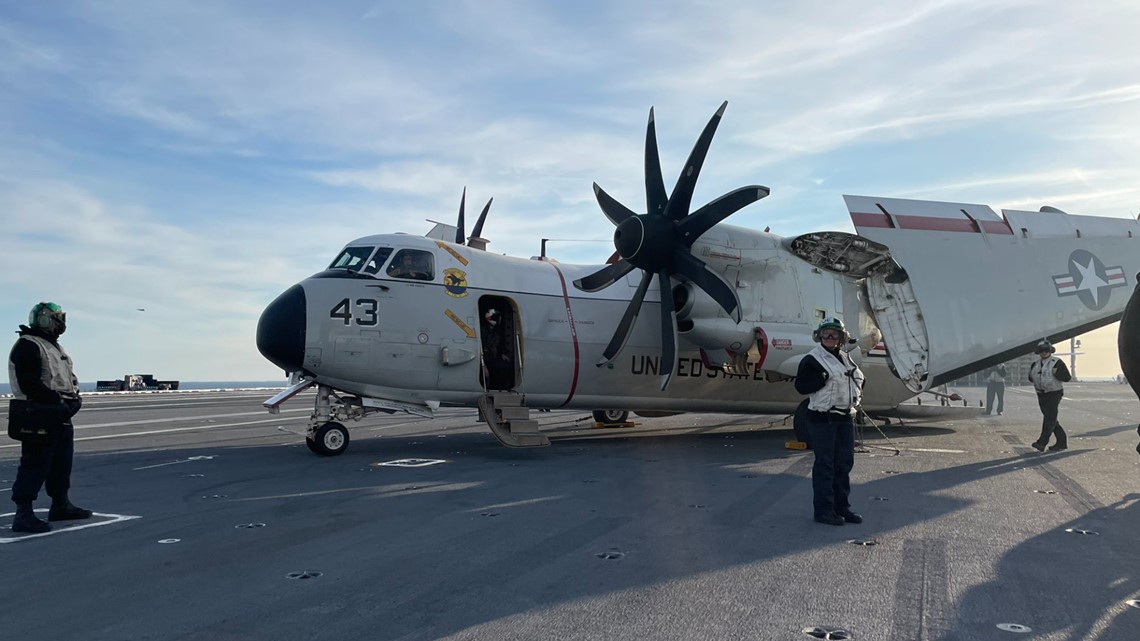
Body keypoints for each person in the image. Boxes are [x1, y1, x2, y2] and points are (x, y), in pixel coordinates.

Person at [8, 302, 92, 533]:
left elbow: (66, 377)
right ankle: (23, 513)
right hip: (37, 413)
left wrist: (72, 400)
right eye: (56, 318)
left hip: (58, 414)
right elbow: (30, 383)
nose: (61, 322)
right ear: (43, 319)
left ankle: (60, 504)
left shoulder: (54, 346)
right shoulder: (28, 345)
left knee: (61, 463)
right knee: (35, 463)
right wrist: (57, 401)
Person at [795, 317, 866, 526]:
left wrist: (857, 394)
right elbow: (801, 386)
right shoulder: (812, 359)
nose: (830, 337)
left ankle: (842, 507)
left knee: (844, 463)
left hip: (844, 417)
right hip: (822, 418)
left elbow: (858, 378)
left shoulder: (845, 357)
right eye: (826, 333)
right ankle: (824, 510)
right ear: (819, 336)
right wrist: (820, 379)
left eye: (835, 334)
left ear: (841, 338)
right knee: (825, 464)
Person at [1027, 340, 1072, 452]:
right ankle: (1061, 442)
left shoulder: (1057, 362)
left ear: (1050, 350)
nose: (1044, 352)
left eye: (1046, 350)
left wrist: (1057, 373)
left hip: (1054, 393)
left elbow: (1067, 377)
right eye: (1041, 350)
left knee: (1049, 418)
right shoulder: (1035, 364)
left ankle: (1041, 443)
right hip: (1041, 394)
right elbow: (1030, 378)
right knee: (1051, 419)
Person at [481, 308, 513, 390]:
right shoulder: (483, 331)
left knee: (505, 366)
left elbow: (499, 344)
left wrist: (502, 354)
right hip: (484, 358)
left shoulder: (497, 331)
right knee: (486, 375)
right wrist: (483, 364)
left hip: (493, 357)